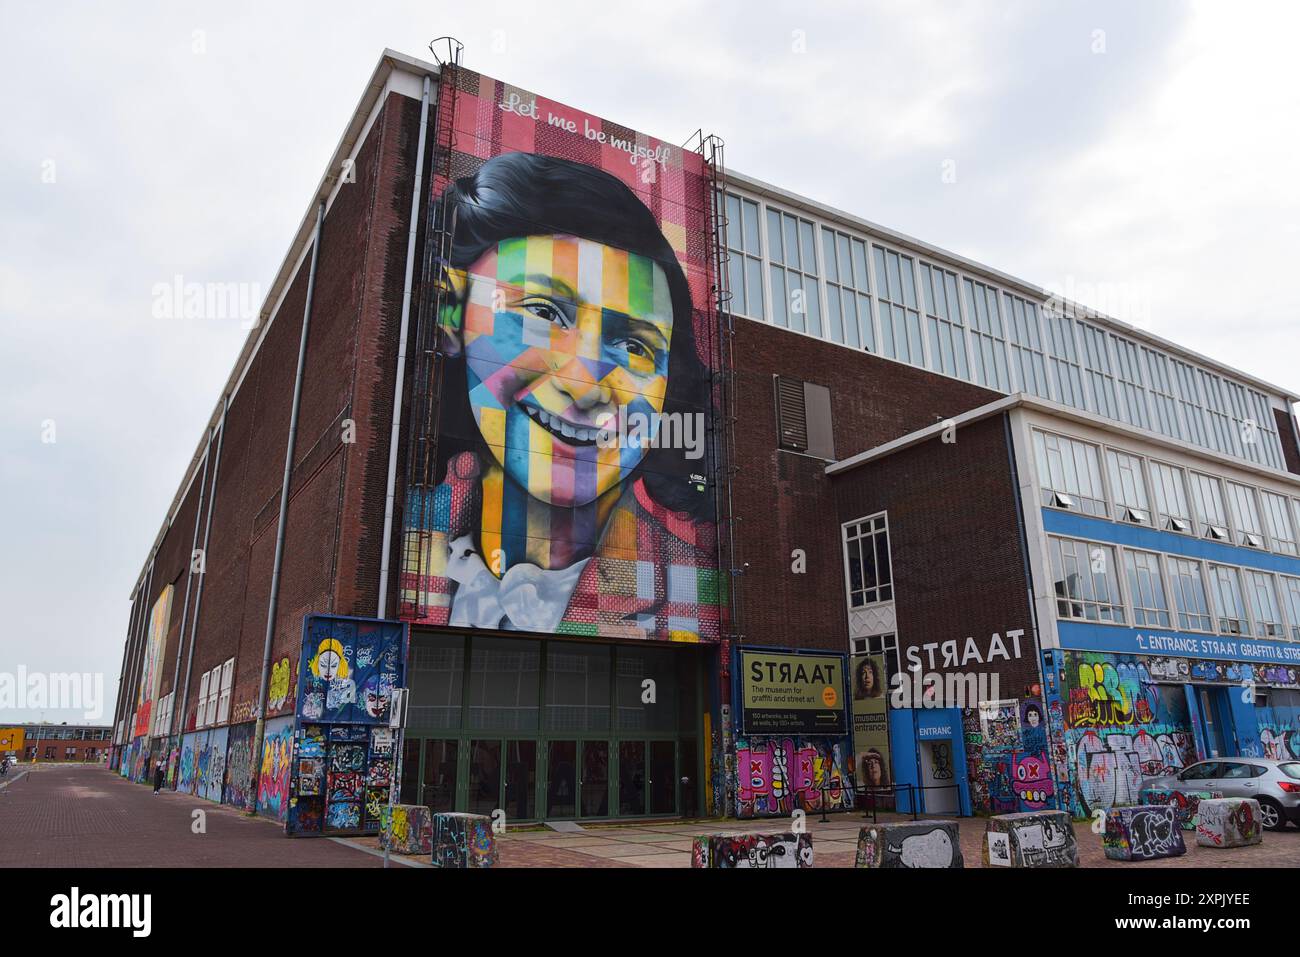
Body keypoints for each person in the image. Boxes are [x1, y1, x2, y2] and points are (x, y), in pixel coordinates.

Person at [401, 152, 716, 639]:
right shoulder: (403, 535)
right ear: (451, 312)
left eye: (634, 345)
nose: (583, 380)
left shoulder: (692, 600)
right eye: (544, 313)